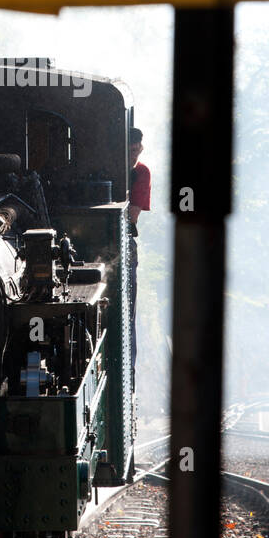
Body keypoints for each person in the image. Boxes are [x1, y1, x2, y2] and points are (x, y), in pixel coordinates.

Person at [128, 128, 151, 386]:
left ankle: (130, 372)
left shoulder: (141, 173)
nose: (133, 152)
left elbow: (132, 216)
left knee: (129, 316)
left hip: (124, 244)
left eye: (136, 148)